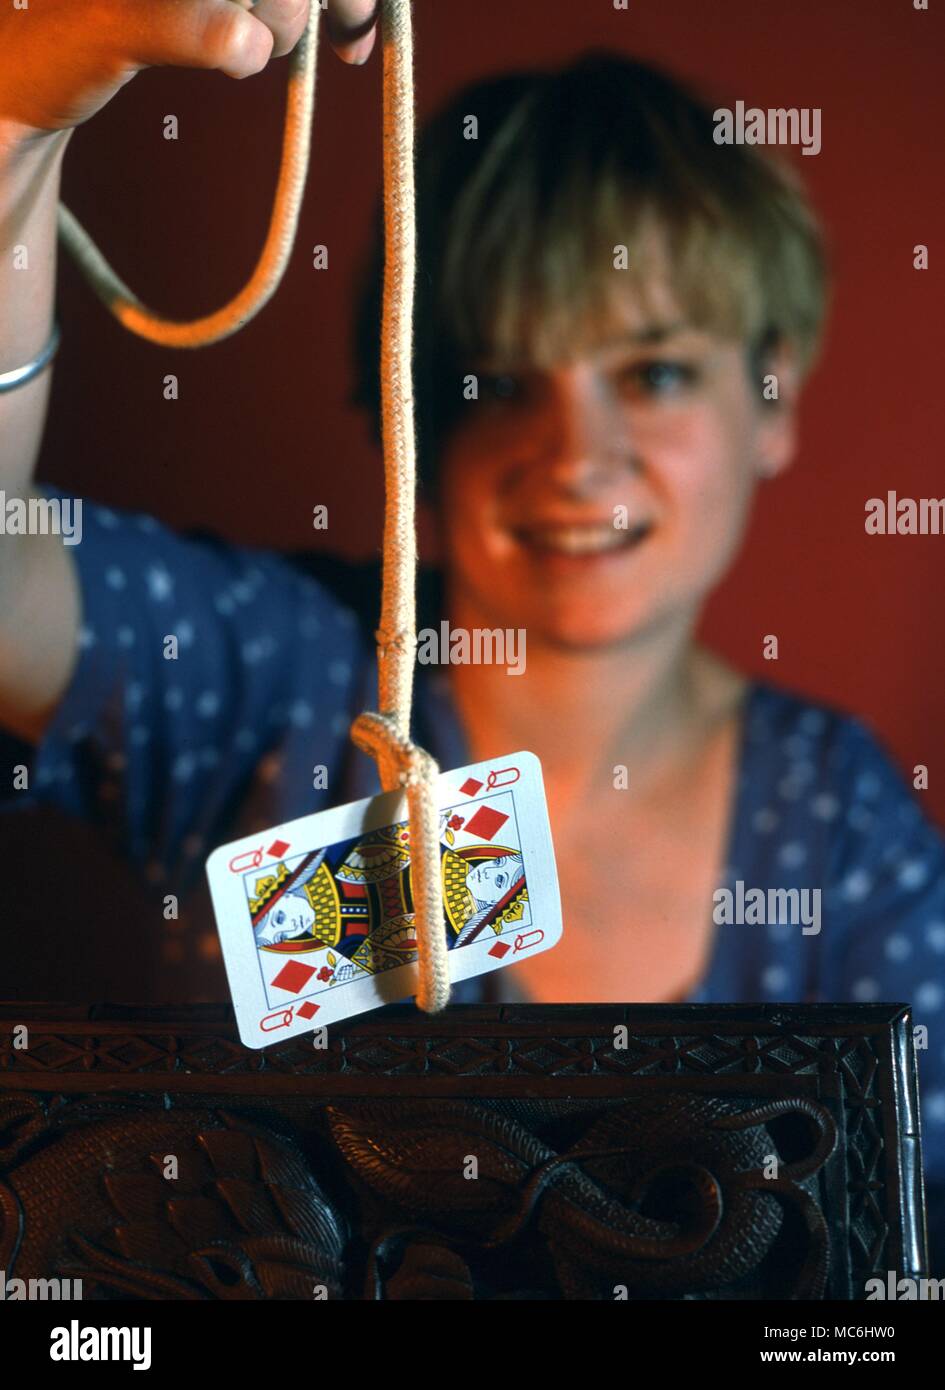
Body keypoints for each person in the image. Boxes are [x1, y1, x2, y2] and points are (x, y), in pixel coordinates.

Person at [1, 0, 943, 1270]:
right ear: (405, 414)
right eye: (496, 381)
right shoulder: (279, 682)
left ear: (770, 392)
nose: (575, 454)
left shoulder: (843, 827)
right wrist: (18, 116)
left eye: (654, 369)